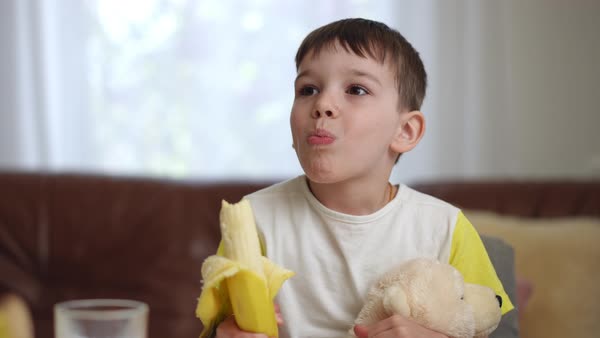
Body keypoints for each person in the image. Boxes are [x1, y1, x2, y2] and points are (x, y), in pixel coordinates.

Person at [216, 18, 514, 338]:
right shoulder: (253, 217)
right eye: (308, 89)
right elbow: (216, 324)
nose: (322, 104)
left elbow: (494, 325)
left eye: (356, 89)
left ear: (404, 131)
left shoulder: (445, 226)